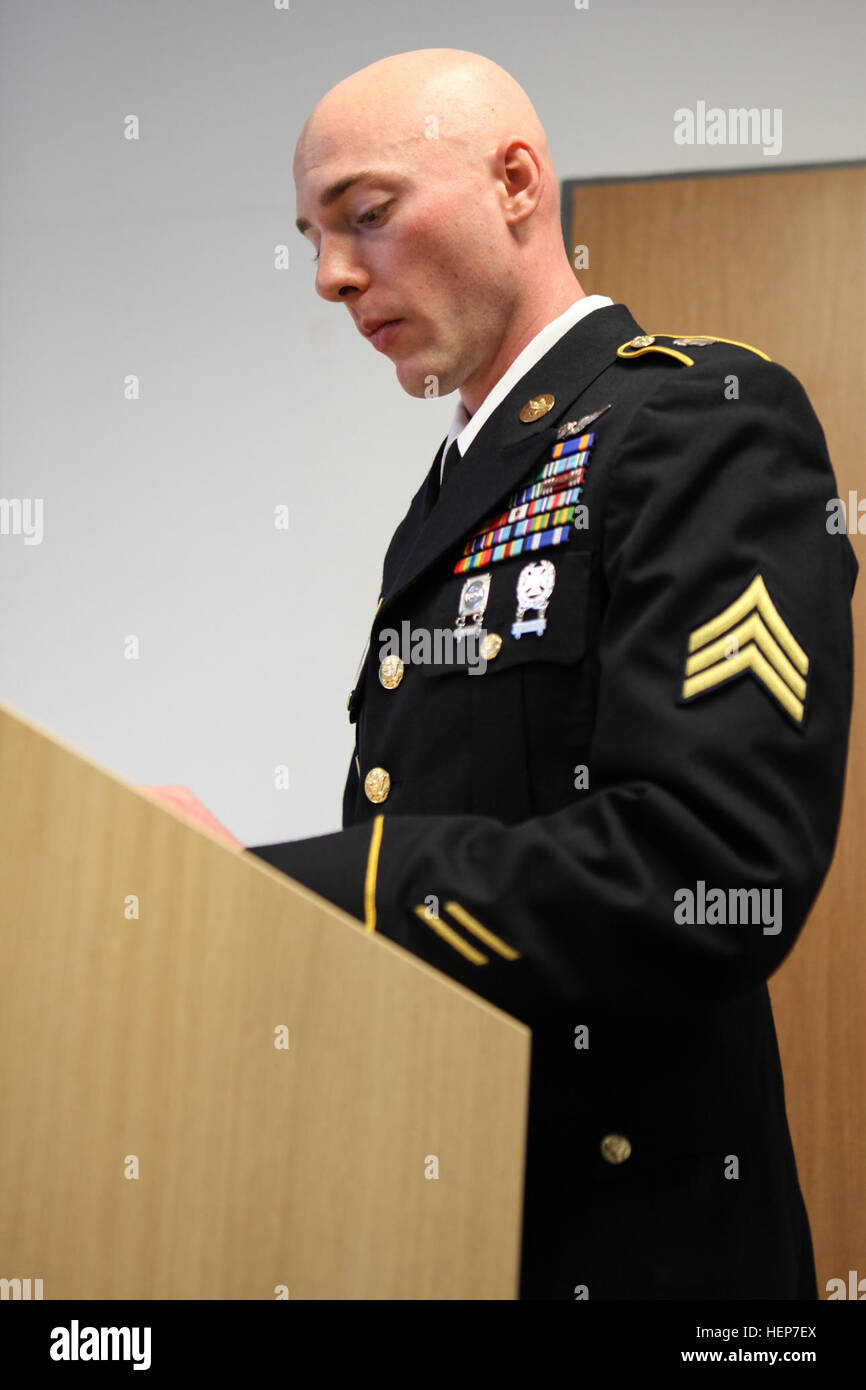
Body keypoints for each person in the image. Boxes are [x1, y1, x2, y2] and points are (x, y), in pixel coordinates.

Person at [147, 49, 857, 1300]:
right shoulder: (466, 485)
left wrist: (284, 895)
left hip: (640, 1248)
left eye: (365, 215)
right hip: (452, 1210)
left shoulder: (695, 423)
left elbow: (709, 866)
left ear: (517, 183)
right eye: (311, 236)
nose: (329, 276)